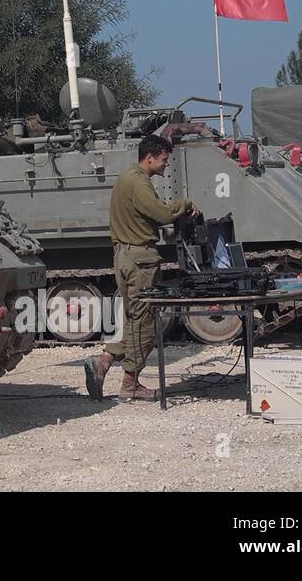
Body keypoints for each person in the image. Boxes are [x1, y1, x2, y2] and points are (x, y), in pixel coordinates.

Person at [83, 135, 195, 402]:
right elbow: (163, 214)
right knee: (144, 323)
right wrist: (186, 204)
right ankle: (130, 384)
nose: (167, 165)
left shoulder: (127, 178)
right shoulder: (139, 182)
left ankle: (105, 361)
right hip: (140, 259)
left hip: (124, 255)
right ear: (150, 157)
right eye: (164, 160)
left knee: (134, 319)